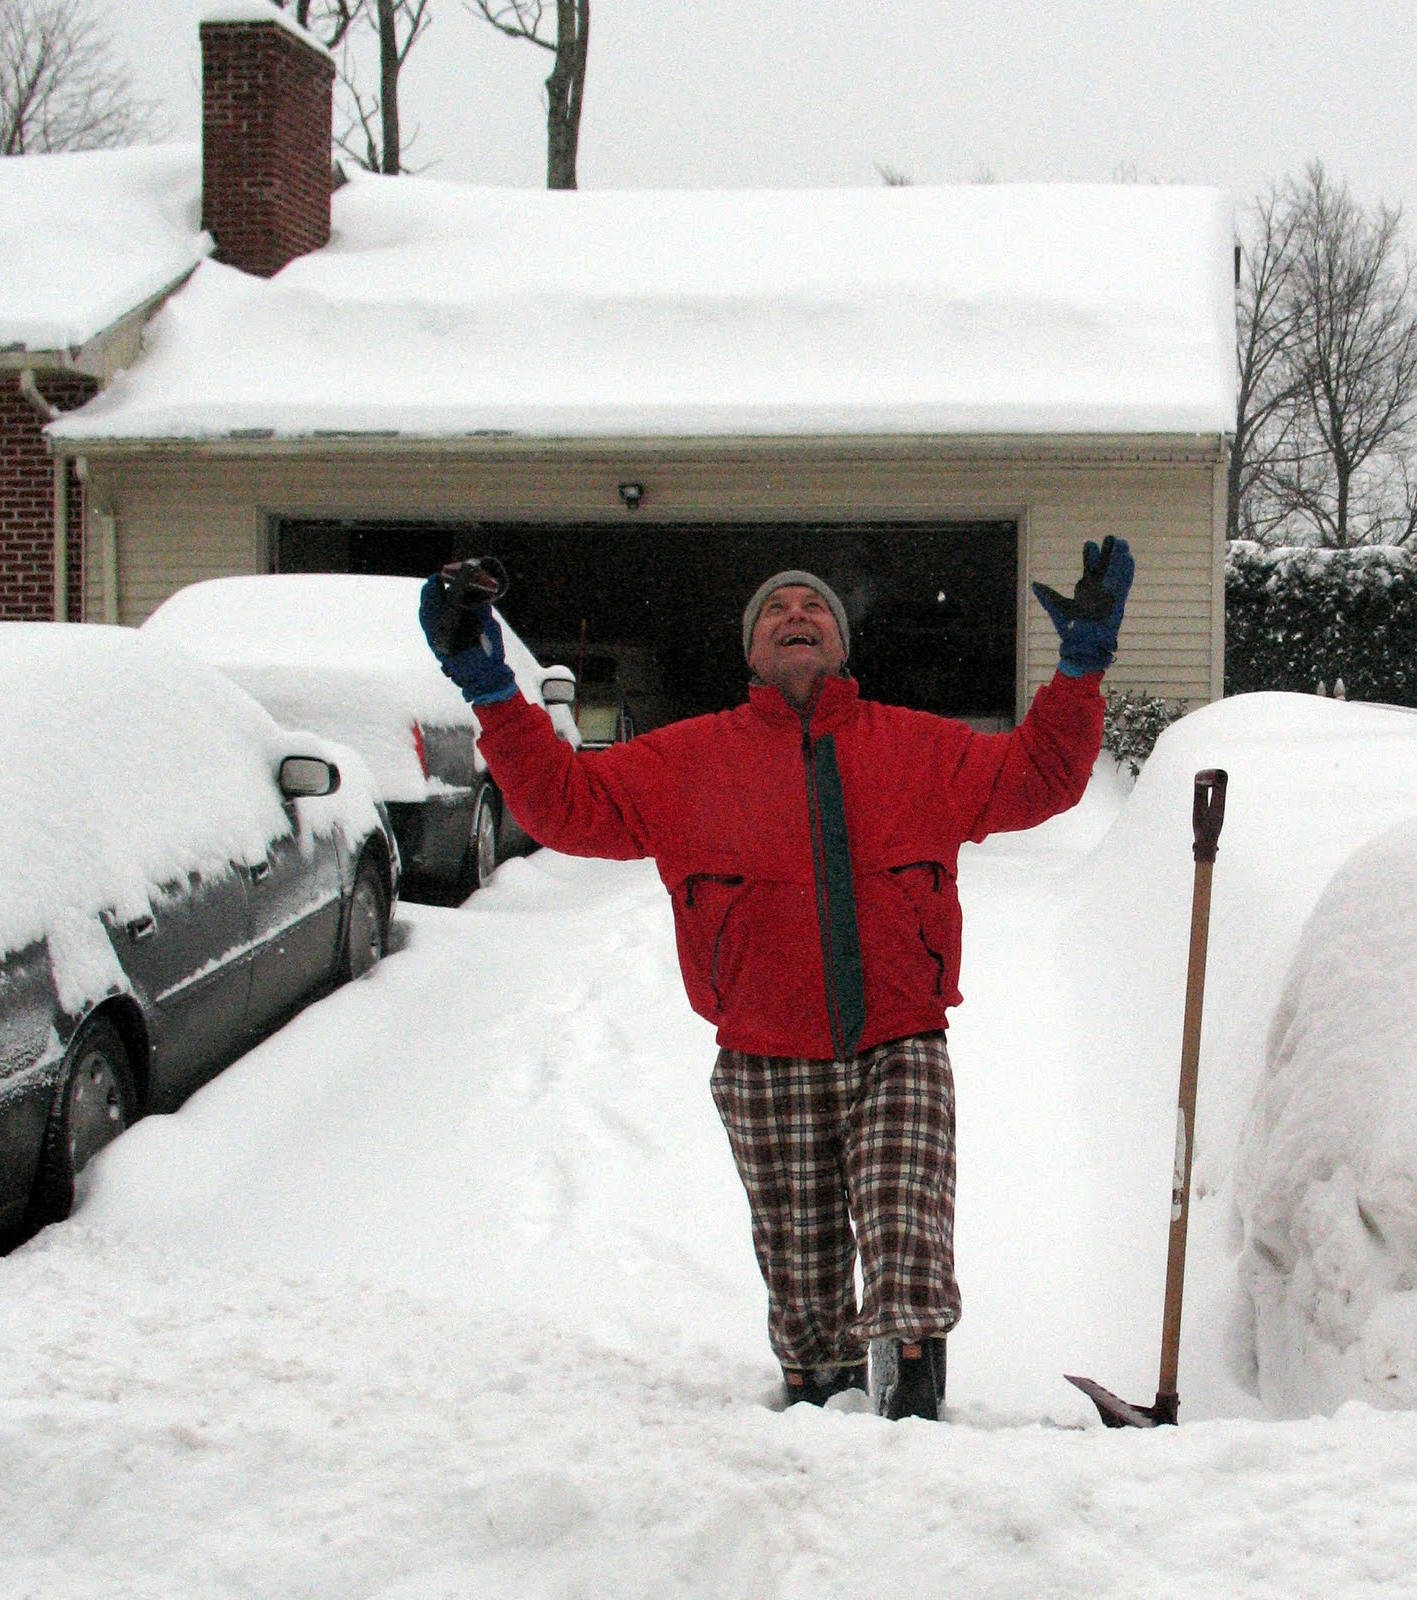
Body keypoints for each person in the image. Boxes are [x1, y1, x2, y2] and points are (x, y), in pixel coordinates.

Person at [419, 539, 1133, 1420]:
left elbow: (1041, 776)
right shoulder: (684, 762)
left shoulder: (919, 749)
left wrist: (1080, 670)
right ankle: (815, 1408)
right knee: (803, 1273)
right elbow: (567, 805)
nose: (797, 616)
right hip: (762, 1054)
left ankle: (913, 1410)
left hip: (899, 1044)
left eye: (815, 607)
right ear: (752, 653)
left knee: (906, 1236)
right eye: (775, 611)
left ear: (841, 644)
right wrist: (491, 691)